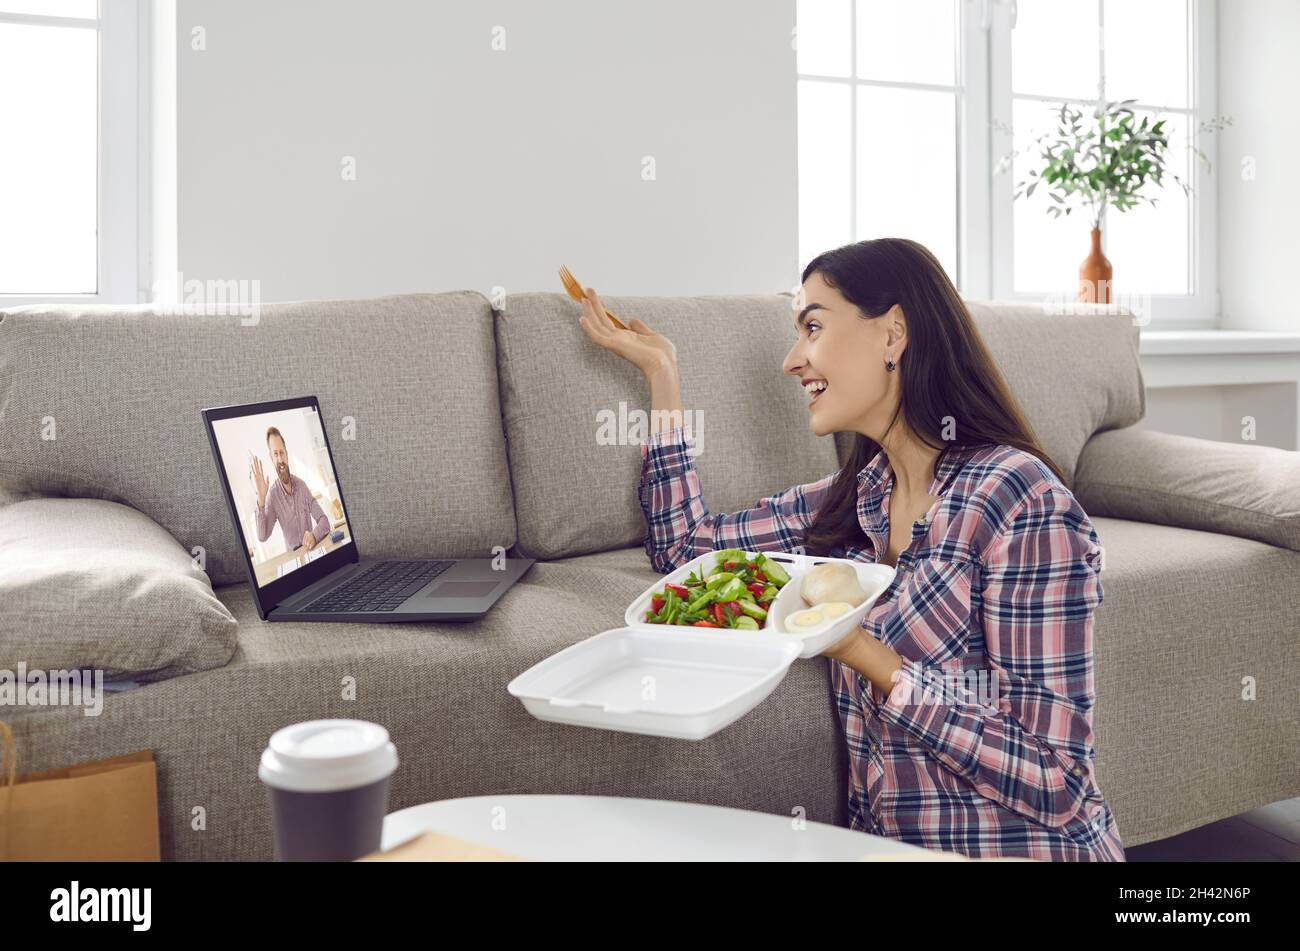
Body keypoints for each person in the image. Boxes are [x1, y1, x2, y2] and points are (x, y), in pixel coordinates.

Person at [578, 237, 1125, 861]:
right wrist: (662, 374)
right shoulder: (857, 498)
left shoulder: (1017, 501)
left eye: (812, 326)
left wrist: (861, 650)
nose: (792, 359)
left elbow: (1058, 782)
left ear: (893, 334)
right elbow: (686, 548)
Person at [251, 426, 330, 555]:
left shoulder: (302, 486)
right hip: (293, 559)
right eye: (275, 454)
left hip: (313, 552)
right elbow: (262, 536)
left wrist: (314, 536)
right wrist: (261, 499)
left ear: (287, 454)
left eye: (282, 453)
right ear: (271, 457)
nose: (280, 459)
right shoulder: (272, 496)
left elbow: (324, 521)